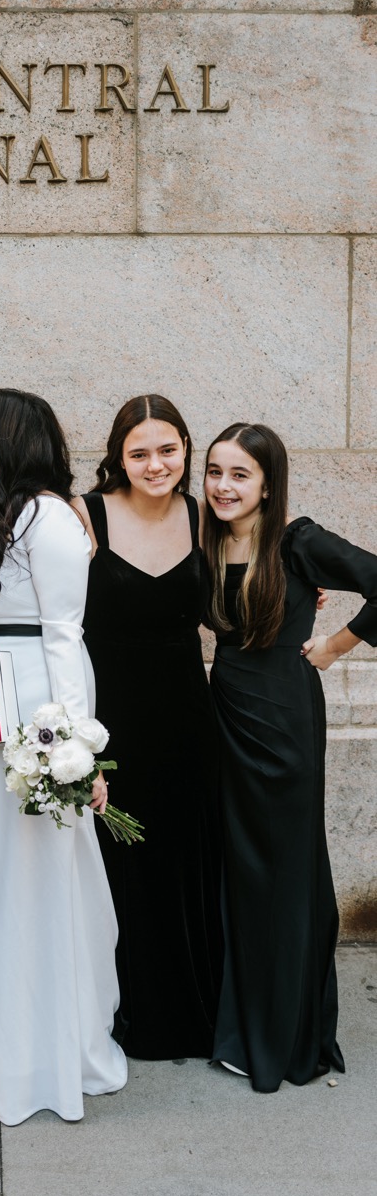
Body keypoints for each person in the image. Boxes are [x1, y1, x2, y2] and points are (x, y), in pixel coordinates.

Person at [0, 388, 128, 1125]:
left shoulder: (48, 516)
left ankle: (45, 1042)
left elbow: (63, 633)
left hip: (33, 723)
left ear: (12, 436)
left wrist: (74, 748)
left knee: (35, 871)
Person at [203, 423, 377, 1092]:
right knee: (240, 873)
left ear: (268, 483)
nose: (223, 485)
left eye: (239, 474)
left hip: (283, 723)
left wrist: (334, 645)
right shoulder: (207, 538)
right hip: (227, 717)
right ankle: (240, 1021)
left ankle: (284, 1032)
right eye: (215, 471)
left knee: (282, 873)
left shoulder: (297, 539)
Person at [72, 395, 223, 1060]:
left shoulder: (202, 515)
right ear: (119, 456)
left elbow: (239, 593)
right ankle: (123, 1006)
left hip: (187, 714)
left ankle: (188, 1008)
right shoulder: (88, 513)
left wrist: (300, 592)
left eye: (168, 449)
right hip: (110, 721)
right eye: (140, 452)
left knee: (180, 857)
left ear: (187, 451)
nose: (155, 463)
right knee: (115, 863)